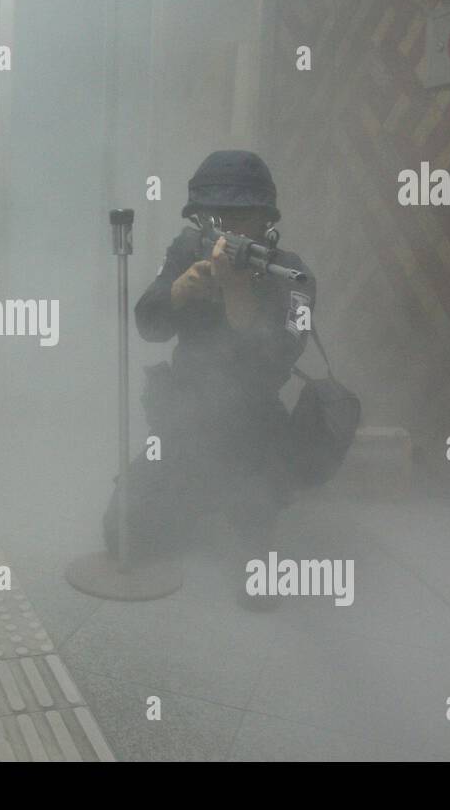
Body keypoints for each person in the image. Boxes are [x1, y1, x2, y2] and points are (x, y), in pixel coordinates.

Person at [104, 150, 316, 609]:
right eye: (216, 219)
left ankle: (243, 512)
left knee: (260, 591)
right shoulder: (186, 250)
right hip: (185, 425)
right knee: (121, 535)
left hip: (254, 436)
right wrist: (178, 292)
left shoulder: (295, 277)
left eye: (243, 219)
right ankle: (198, 501)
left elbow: (277, 362)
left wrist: (239, 293)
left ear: (266, 222)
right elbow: (148, 326)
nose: (228, 232)